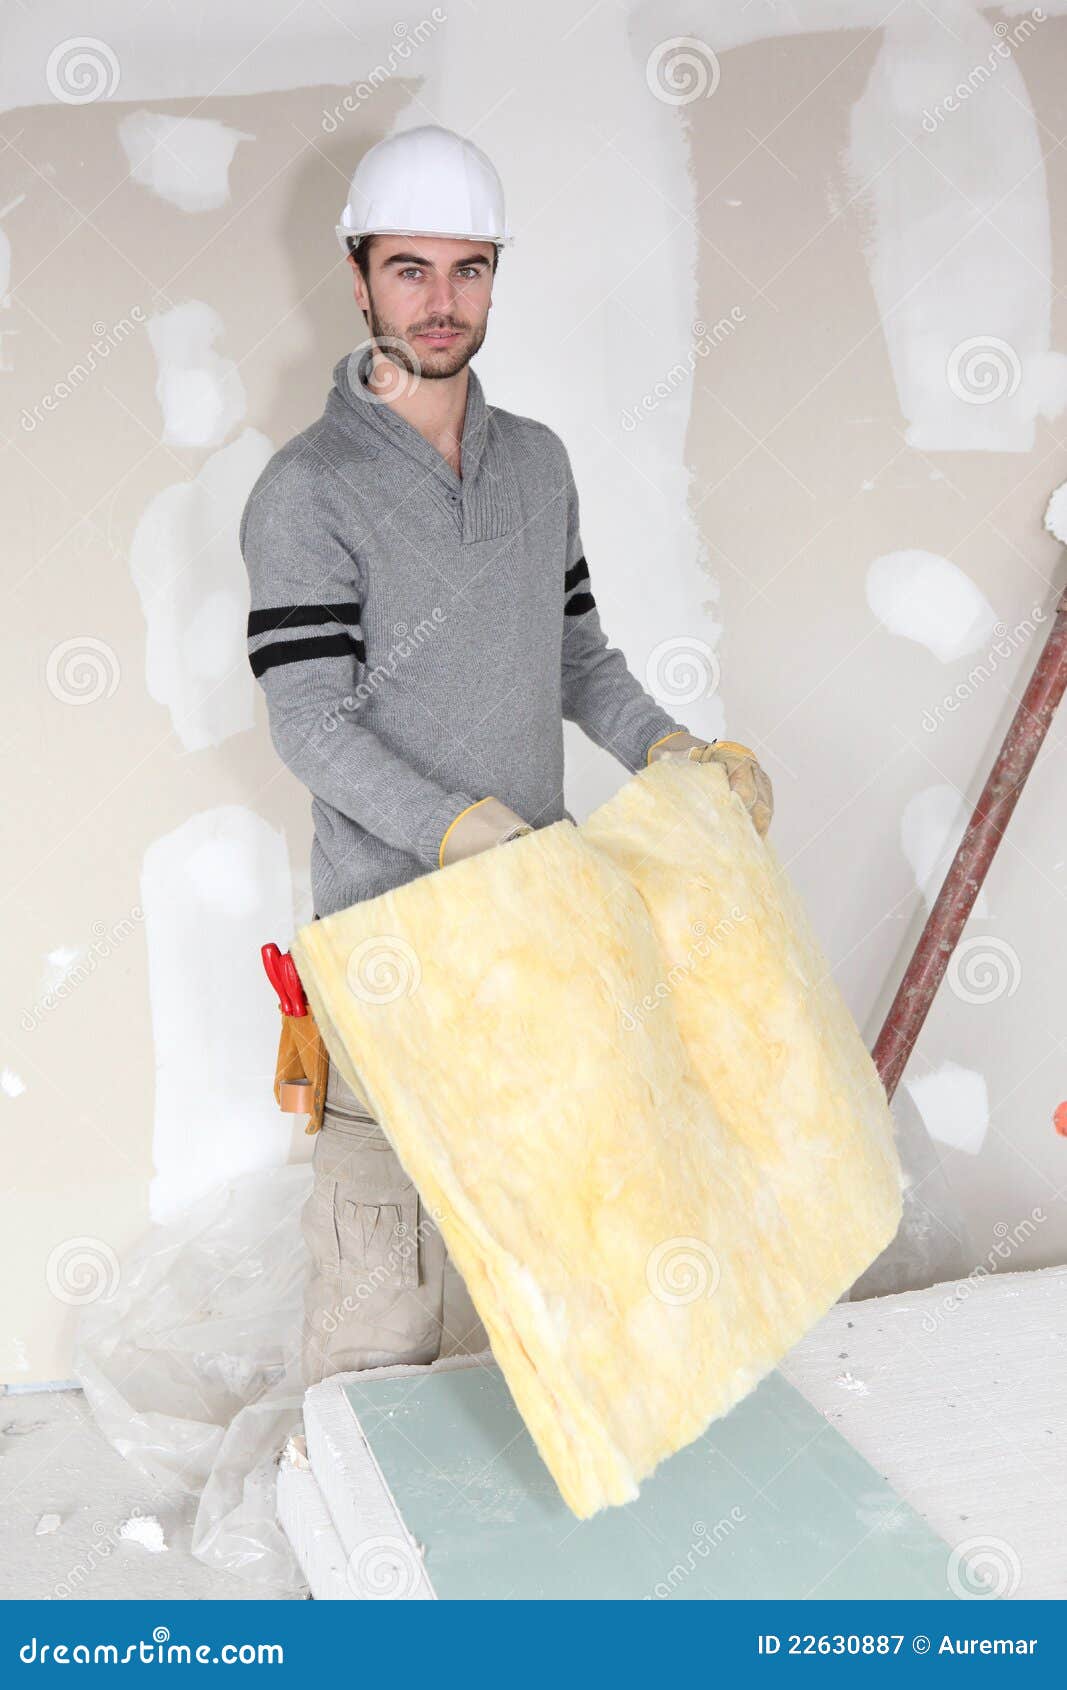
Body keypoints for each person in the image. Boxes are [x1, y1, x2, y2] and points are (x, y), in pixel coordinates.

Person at [239, 124, 773, 1385]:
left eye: (467, 268)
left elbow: (576, 659)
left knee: (520, 1259)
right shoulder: (305, 490)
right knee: (388, 1284)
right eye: (410, 268)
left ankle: (482, 1555)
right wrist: (464, 826)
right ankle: (358, 1556)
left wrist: (677, 753)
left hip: (539, 920)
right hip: (392, 943)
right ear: (358, 274)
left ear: (494, 276)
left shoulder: (538, 465)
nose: (440, 301)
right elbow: (310, 721)